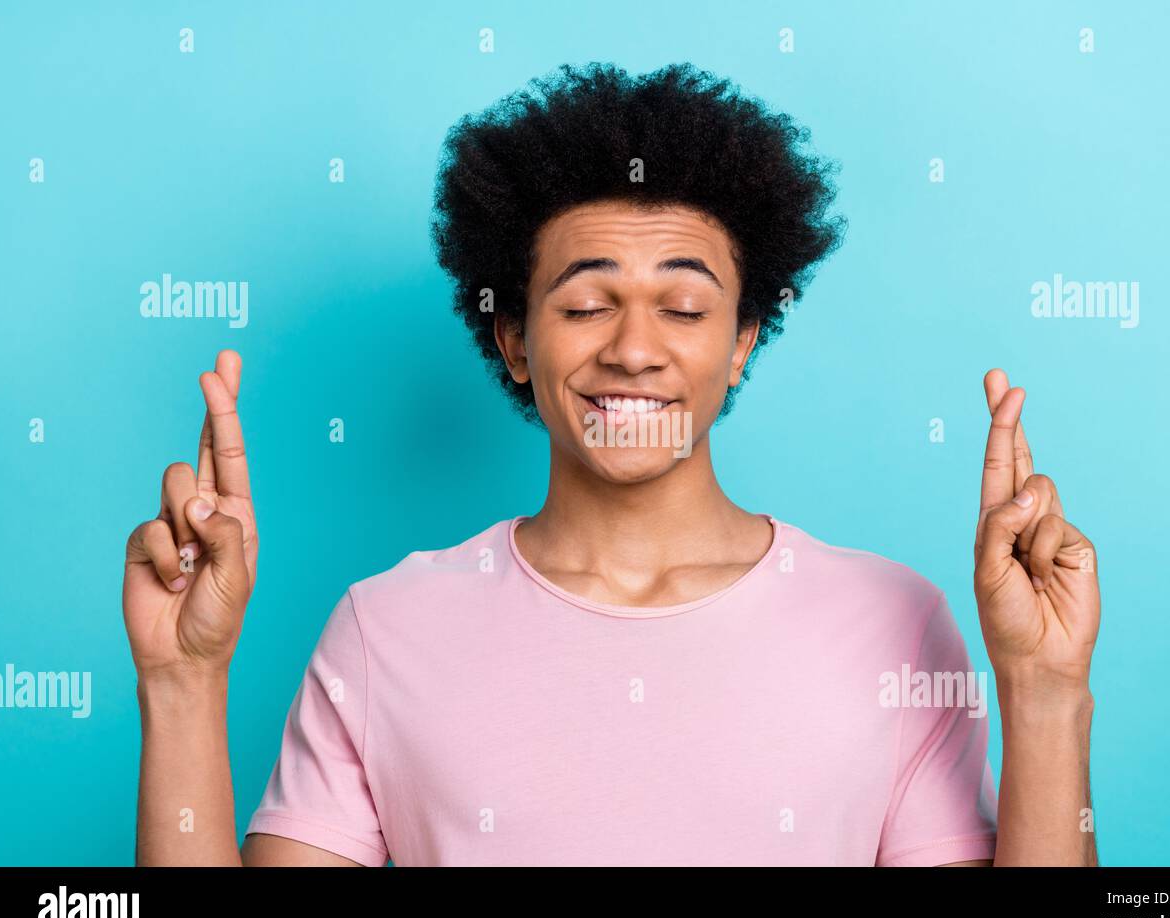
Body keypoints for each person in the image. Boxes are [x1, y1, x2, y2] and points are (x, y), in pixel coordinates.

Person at [124, 63, 1100, 866]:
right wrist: (183, 679)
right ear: (511, 337)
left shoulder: (894, 622)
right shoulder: (385, 627)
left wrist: (1046, 690)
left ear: (742, 340)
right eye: (586, 304)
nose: (634, 348)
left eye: (683, 307)